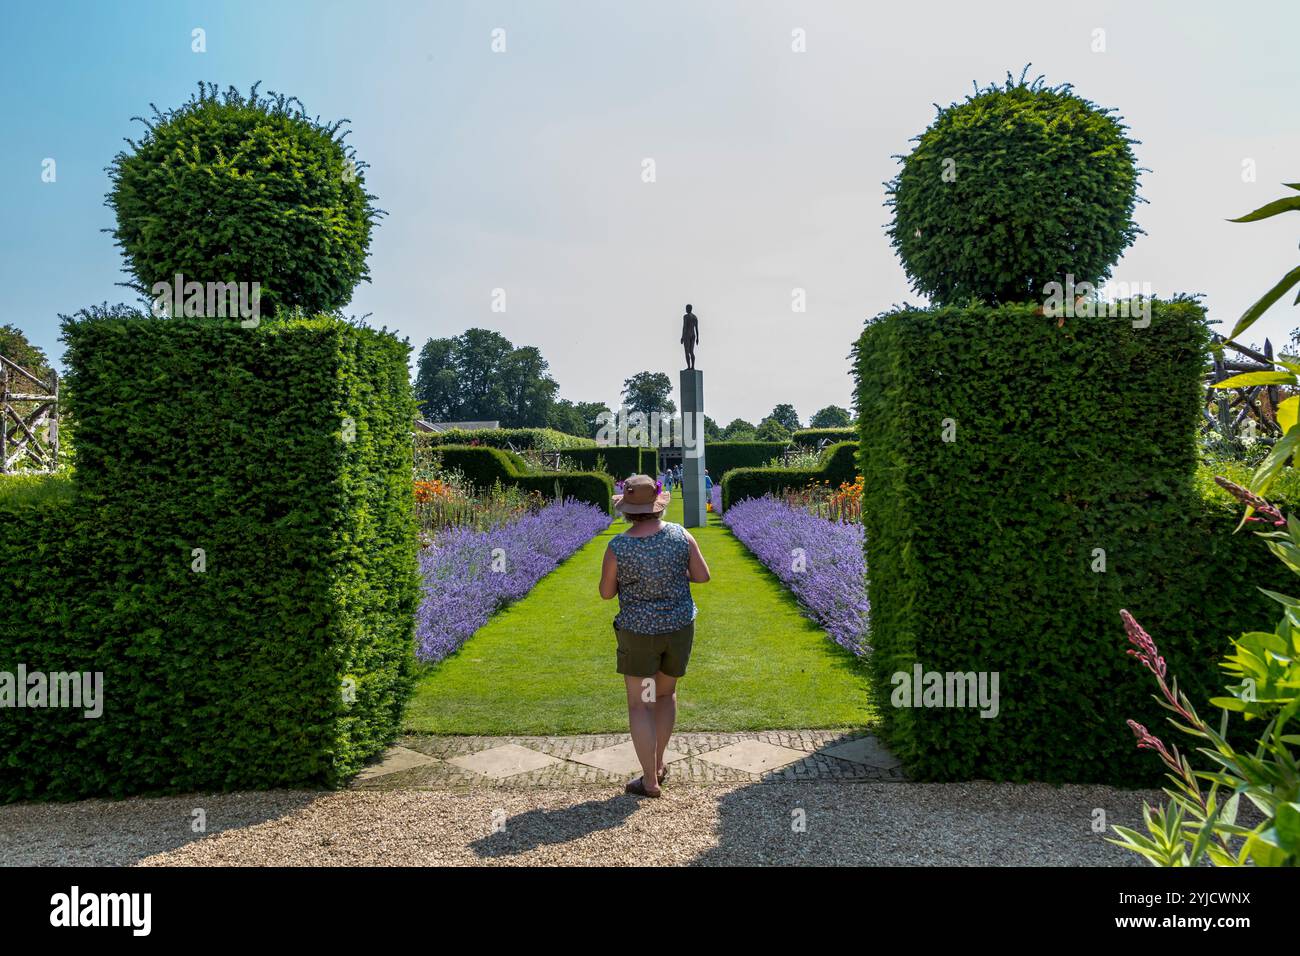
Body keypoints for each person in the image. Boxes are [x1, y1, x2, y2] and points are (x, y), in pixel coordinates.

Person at [599, 474, 711, 797]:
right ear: (657, 505)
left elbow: (607, 593)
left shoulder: (618, 547)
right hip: (677, 630)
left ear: (628, 510)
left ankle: (649, 779)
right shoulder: (680, 535)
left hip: (639, 635)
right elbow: (702, 576)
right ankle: (658, 765)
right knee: (664, 696)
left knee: (640, 704)